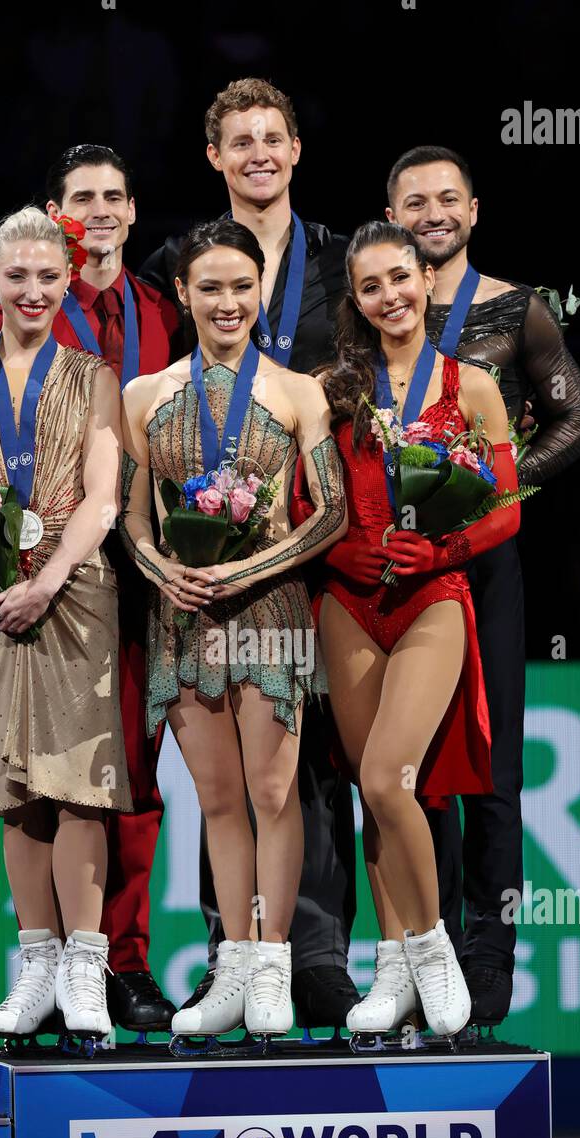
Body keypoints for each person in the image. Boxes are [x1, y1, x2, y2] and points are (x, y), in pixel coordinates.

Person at [139, 77, 358, 1029]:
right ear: (182, 292)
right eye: (210, 289)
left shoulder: (300, 388)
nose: (228, 301)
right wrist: (162, 570)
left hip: (270, 608)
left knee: (279, 792)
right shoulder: (143, 393)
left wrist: (246, 569)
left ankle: (277, 965)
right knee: (218, 797)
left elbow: (334, 512)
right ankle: (232, 962)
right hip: (182, 613)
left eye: (241, 288)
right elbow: (130, 516)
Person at [386, 146, 580, 1024]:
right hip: (392, 568)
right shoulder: (374, 316)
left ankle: (488, 956)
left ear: (472, 210)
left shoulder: (518, 309)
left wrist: (495, 492)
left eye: (446, 199)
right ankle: (420, 951)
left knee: (492, 772)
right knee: (411, 772)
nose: (431, 212)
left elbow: (577, 419)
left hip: (483, 565)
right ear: (390, 215)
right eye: (413, 201)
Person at [0, 146, 180, 1037]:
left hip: (153, 566)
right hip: (43, 578)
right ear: (55, 213)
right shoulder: (7, 329)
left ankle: (120, 963)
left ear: (132, 211)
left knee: (124, 775)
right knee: (36, 780)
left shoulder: (162, 312)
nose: (97, 210)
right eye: (80, 198)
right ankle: (47, 959)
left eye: (112, 196)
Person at [0, 206, 132, 1046]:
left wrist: (45, 580)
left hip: (73, 593)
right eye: (18, 277)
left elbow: (105, 498)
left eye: (49, 276)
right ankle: (35, 960)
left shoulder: (92, 377)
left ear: (67, 281)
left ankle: (87, 966)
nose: (35, 290)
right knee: (15, 790)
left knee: (80, 784)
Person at [316, 221, 520, 1038]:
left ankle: (433, 951)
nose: (389, 296)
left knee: (390, 781)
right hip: (348, 601)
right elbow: (312, 497)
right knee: (371, 791)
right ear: (357, 302)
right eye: (370, 287)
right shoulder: (334, 389)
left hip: (433, 596)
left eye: (400, 278)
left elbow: (505, 507)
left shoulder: (471, 384)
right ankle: (391, 967)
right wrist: (343, 548)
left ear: (425, 281)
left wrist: (443, 546)